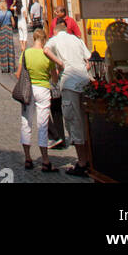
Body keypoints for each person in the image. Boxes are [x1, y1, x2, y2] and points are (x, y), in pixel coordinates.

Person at [44, 16, 93, 178]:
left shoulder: (55, 39)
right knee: (87, 121)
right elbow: (89, 60)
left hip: (70, 83)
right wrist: (81, 67)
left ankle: (82, 163)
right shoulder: (77, 39)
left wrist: (61, 63)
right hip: (84, 81)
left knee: (74, 121)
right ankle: (90, 160)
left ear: (55, 30)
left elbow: (45, 50)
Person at [16, 27, 58, 173]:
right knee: (42, 125)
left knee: (26, 122)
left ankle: (27, 158)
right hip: (44, 90)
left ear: (33, 39)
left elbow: (18, 74)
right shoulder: (47, 55)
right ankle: (45, 160)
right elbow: (55, 77)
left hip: (28, 90)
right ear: (44, 39)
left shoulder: (26, 53)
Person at [0, 2, 18, 73]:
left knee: (3, 48)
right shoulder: (9, 13)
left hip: (2, 30)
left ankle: (4, 67)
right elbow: (13, 22)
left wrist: (0, 29)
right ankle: (11, 67)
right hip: (9, 30)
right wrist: (13, 26)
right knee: (10, 47)